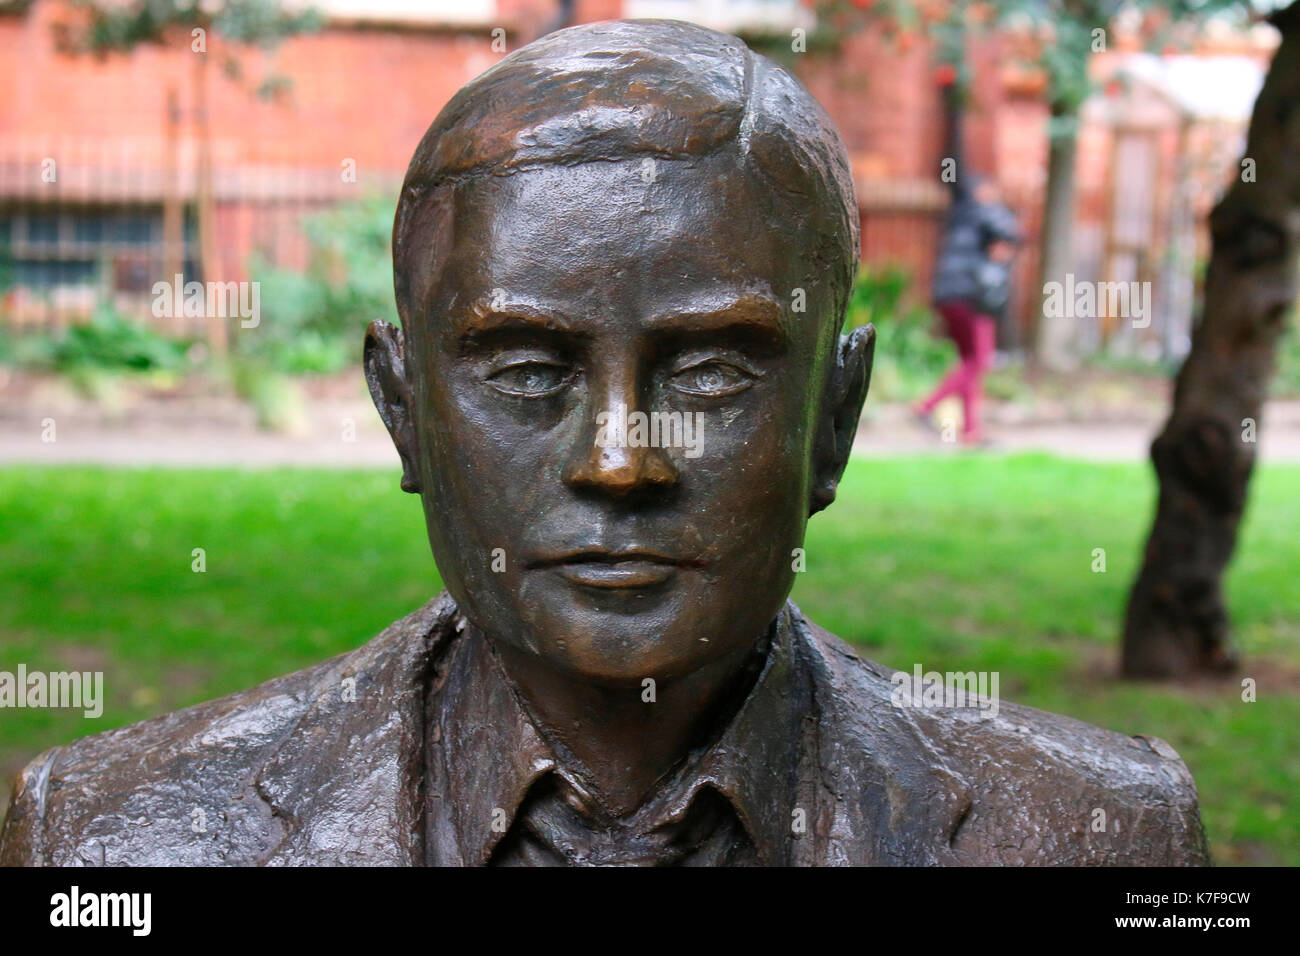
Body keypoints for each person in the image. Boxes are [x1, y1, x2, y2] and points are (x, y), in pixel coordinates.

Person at [0, 20, 1206, 866]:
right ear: (401, 406)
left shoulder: (1106, 831)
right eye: (527, 372)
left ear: (833, 418)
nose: (621, 461)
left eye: (715, 371)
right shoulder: (114, 833)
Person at [915, 82, 1022, 446]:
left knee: (970, 362)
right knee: (981, 360)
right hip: (973, 294)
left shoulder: (960, 212)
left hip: (948, 292)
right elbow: (1011, 231)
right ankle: (927, 406)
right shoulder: (983, 209)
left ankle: (972, 431)